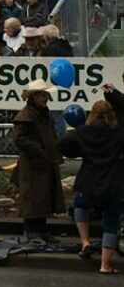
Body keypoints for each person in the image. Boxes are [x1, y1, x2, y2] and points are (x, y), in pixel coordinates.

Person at [57, 100, 124, 273]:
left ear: (92, 114)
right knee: (111, 221)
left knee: (79, 206)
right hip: (112, 182)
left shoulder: (83, 132)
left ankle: (85, 241)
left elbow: (62, 145)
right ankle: (105, 265)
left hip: (88, 182)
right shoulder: (117, 133)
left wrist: (81, 151)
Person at [11, 79, 66, 242]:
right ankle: (31, 230)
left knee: (44, 197)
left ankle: (42, 229)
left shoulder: (42, 114)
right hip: (33, 163)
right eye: (42, 95)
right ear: (34, 96)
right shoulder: (26, 115)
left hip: (45, 162)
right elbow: (19, 138)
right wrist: (38, 150)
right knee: (32, 198)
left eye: (46, 95)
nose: (45, 98)